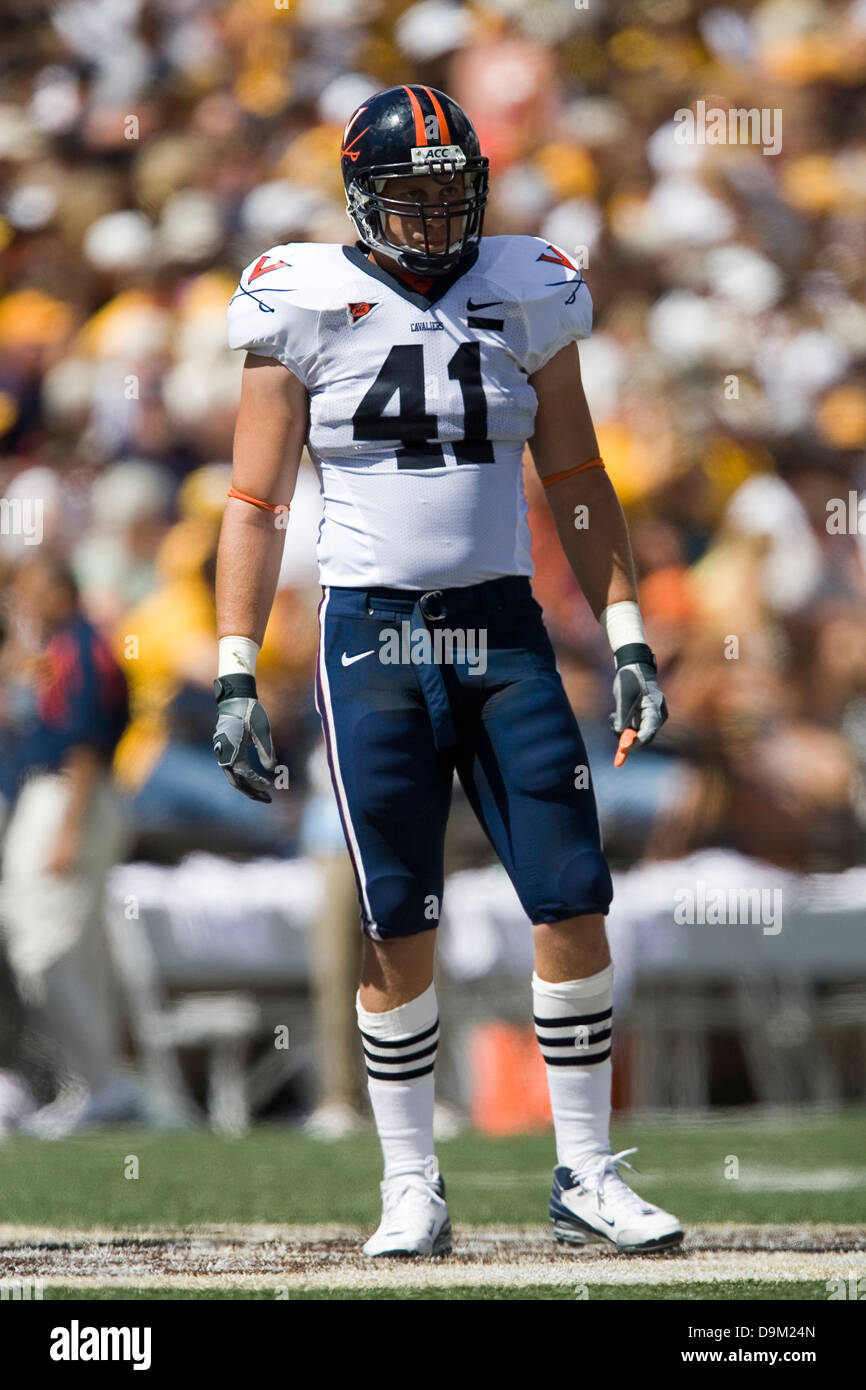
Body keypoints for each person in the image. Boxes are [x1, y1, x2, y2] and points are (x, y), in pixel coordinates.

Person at [214, 84, 682, 1256]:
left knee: (571, 890)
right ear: (360, 199)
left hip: (500, 625)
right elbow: (254, 501)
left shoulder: (527, 283)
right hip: (369, 631)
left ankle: (582, 1170)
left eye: (447, 191)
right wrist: (233, 667)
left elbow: (575, 477)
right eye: (407, 195)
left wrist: (623, 628)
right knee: (396, 913)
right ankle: (409, 1182)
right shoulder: (300, 298)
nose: (430, 216)